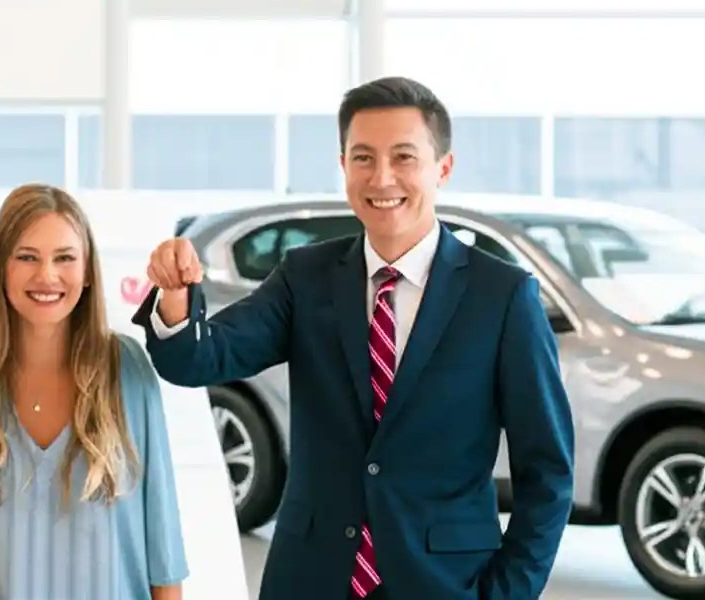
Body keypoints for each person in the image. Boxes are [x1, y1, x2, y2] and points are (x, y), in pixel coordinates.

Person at [133, 77, 575, 600]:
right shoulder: (305, 277)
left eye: (404, 157)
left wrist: (505, 594)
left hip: (447, 584)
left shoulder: (501, 296)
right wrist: (177, 297)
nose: (382, 176)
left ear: (443, 168)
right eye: (363, 157)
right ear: (344, 165)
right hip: (311, 578)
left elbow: (546, 471)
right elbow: (197, 360)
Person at [0, 183, 189, 600]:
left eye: (65, 258)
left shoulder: (125, 368)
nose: (47, 275)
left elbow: (163, 547)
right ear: (0, 266)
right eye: (26, 257)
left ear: (88, 271)